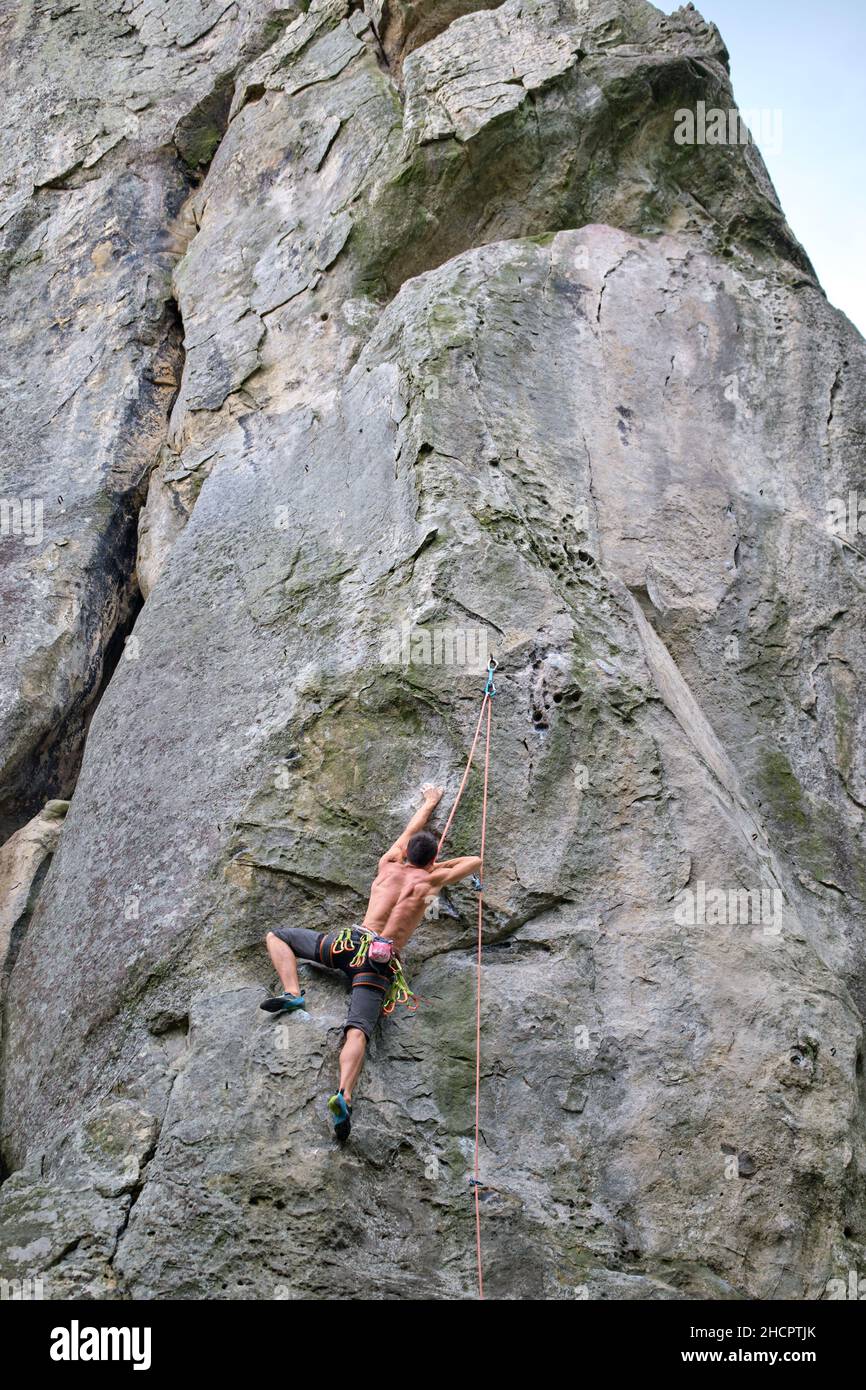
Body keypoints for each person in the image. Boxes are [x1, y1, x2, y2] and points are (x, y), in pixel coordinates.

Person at [260, 783, 481, 1140]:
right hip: (377, 963)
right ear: (432, 860)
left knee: (278, 936)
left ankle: (292, 992)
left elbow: (410, 832)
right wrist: (438, 866)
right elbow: (475, 863)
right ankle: (343, 1093)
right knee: (358, 1028)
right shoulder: (430, 882)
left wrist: (430, 802)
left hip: (347, 944)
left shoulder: (388, 864)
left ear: (406, 853)